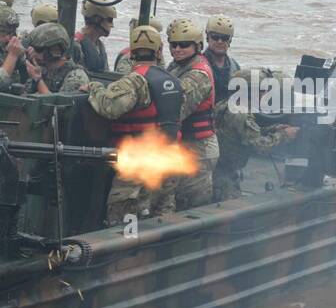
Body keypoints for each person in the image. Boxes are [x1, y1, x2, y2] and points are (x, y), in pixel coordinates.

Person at [86, 25, 183, 224]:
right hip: (168, 160)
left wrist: (93, 87)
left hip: (138, 164)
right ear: (159, 51)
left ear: (132, 52)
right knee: (161, 219)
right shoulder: (173, 81)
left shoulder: (135, 81)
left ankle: (126, 253)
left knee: (123, 222)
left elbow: (109, 107)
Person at [213, 68, 298, 201]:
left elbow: (242, 133)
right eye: (261, 90)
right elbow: (260, 146)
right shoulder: (241, 114)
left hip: (219, 168)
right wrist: (284, 135)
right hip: (225, 175)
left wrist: (273, 129)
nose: (265, 94)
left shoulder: (224, 105)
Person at [165, 18, 217, 211]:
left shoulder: (198, 74)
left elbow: (177, 110)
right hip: (185, 144)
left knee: (194, 205)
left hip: (198, 149)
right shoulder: (177, 66)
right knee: (177, 197)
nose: (177, 49)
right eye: (173, 44)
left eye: (184, 45)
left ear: (197, 46)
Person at [24, 23, 91, 94]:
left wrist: (38, 80)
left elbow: (59, 103)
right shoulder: (43, 71)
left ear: (54, 50)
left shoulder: (76, 76)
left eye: (38, 50)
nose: (33, 53)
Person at [203, 15, 240, 104]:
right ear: (208, 38)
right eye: (215, 37)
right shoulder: (199, 65)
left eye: (224, 38)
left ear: (230, 41)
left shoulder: (234, 66)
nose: (220, 41)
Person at [73, 0, 115, 72]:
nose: (112, 25)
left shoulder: (99, 45)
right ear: (97, 19)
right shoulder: (76, 45)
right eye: (109, 20)